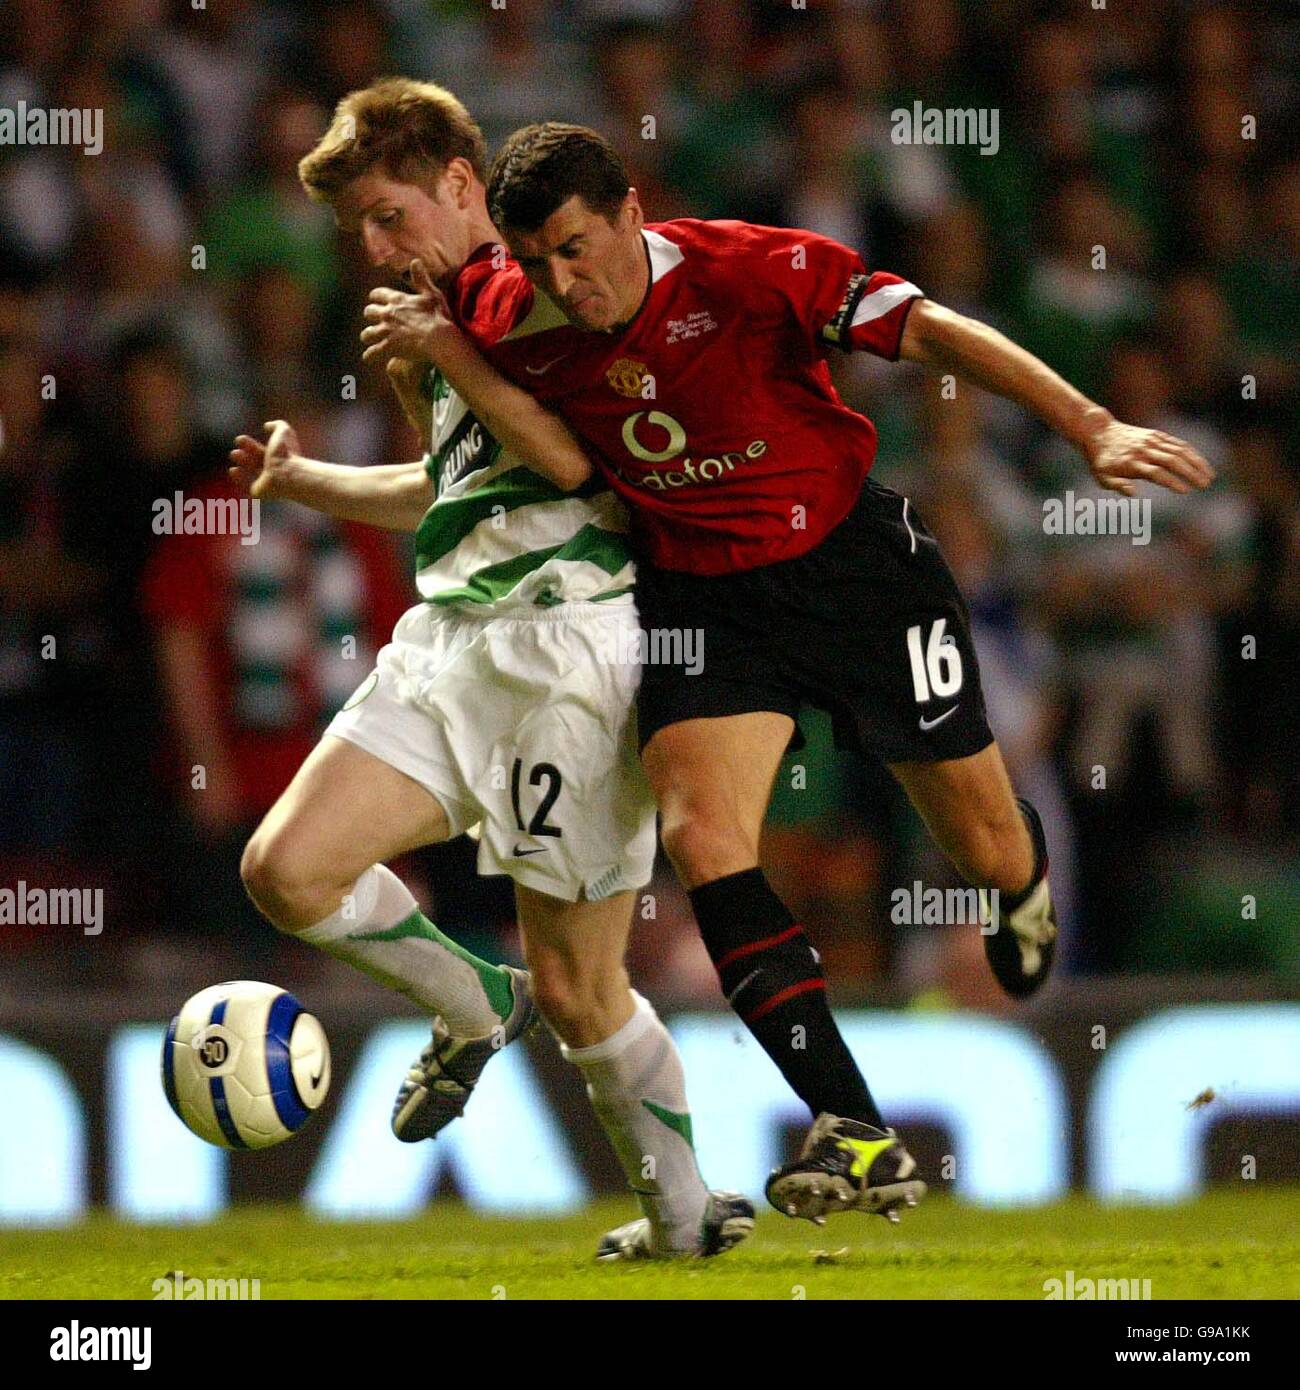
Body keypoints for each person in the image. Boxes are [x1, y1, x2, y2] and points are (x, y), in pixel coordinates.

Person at [360, 119, 1214, 1224]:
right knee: (702, 837)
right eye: (534, 261)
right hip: (703, 602)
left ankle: (1021, 884)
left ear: (631, 213)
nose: (559, 283)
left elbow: (936, 331)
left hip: (856, 574)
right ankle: (856, 1127)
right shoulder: (499, 308)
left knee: (986, 843)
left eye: (576, 248)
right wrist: (424, 338)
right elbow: (460, 382)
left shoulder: (747, 268)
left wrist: (1089, 424)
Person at [230, 82, 753, 1261]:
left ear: (461, 186)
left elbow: (580, 471)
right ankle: (472, 1000)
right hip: (450, 639)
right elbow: (466, 492)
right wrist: (308, 478)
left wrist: (449, 357)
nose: (372, 248)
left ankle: (683, 1220)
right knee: (285, 870)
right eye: (357, 231)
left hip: (572, 648)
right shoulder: (440, 320)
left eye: (387, 216)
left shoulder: (555, 294)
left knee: (581, 987)